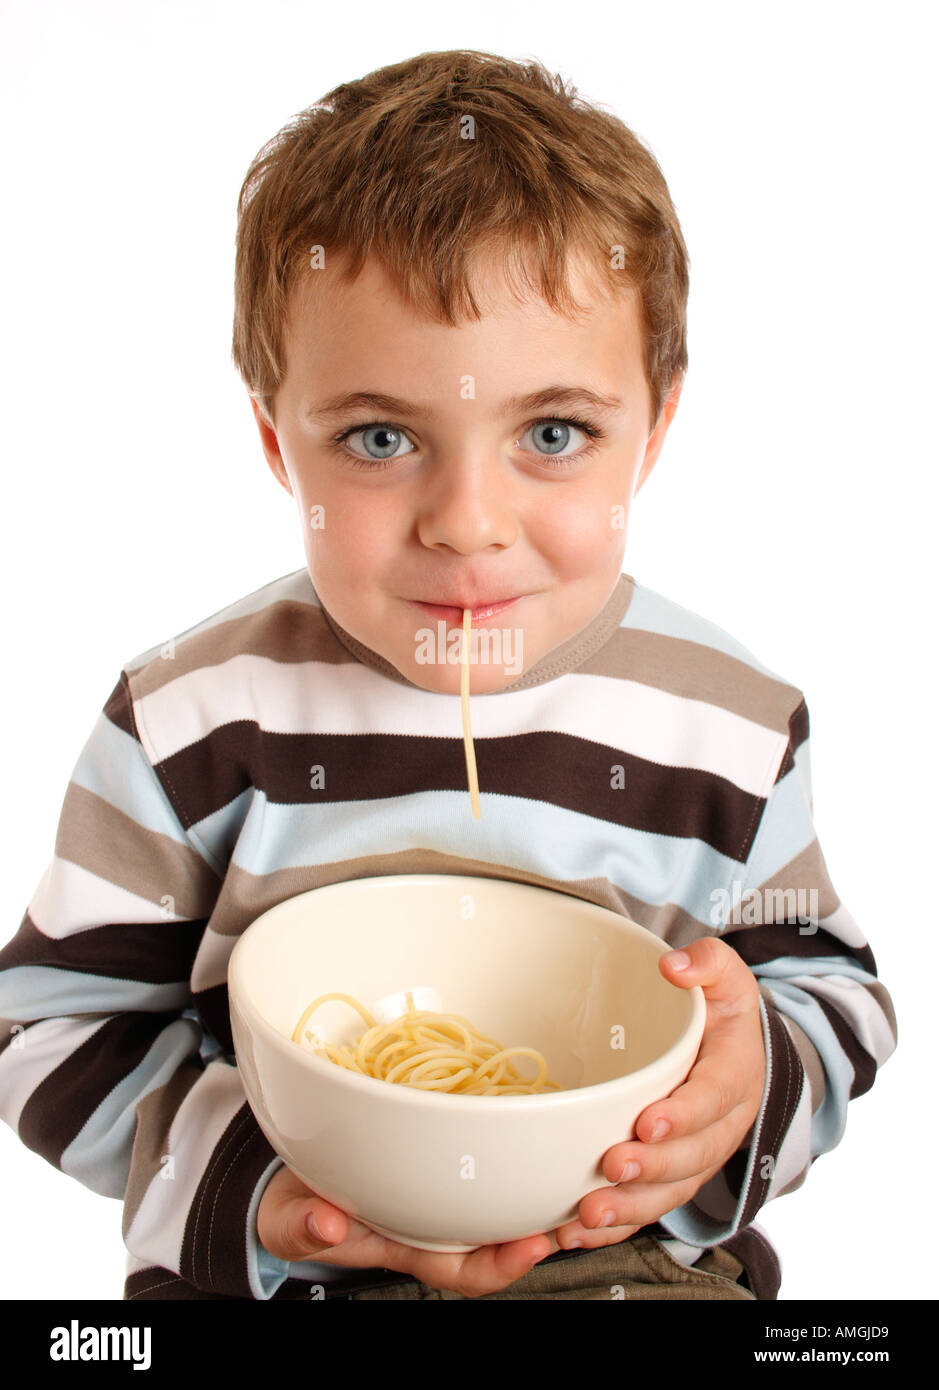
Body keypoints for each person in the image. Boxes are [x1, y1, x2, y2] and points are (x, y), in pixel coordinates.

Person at [0, 49, 896, 1302]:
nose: (467, 522)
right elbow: (51, 1029)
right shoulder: (189, 720)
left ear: (655, 429)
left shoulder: (731, 723)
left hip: (625, 1261)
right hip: (277, 1270)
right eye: (380, 438)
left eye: (553, 434)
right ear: (276, 439)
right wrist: (263, 1193)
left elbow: (832, 998)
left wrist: (749, 1087)